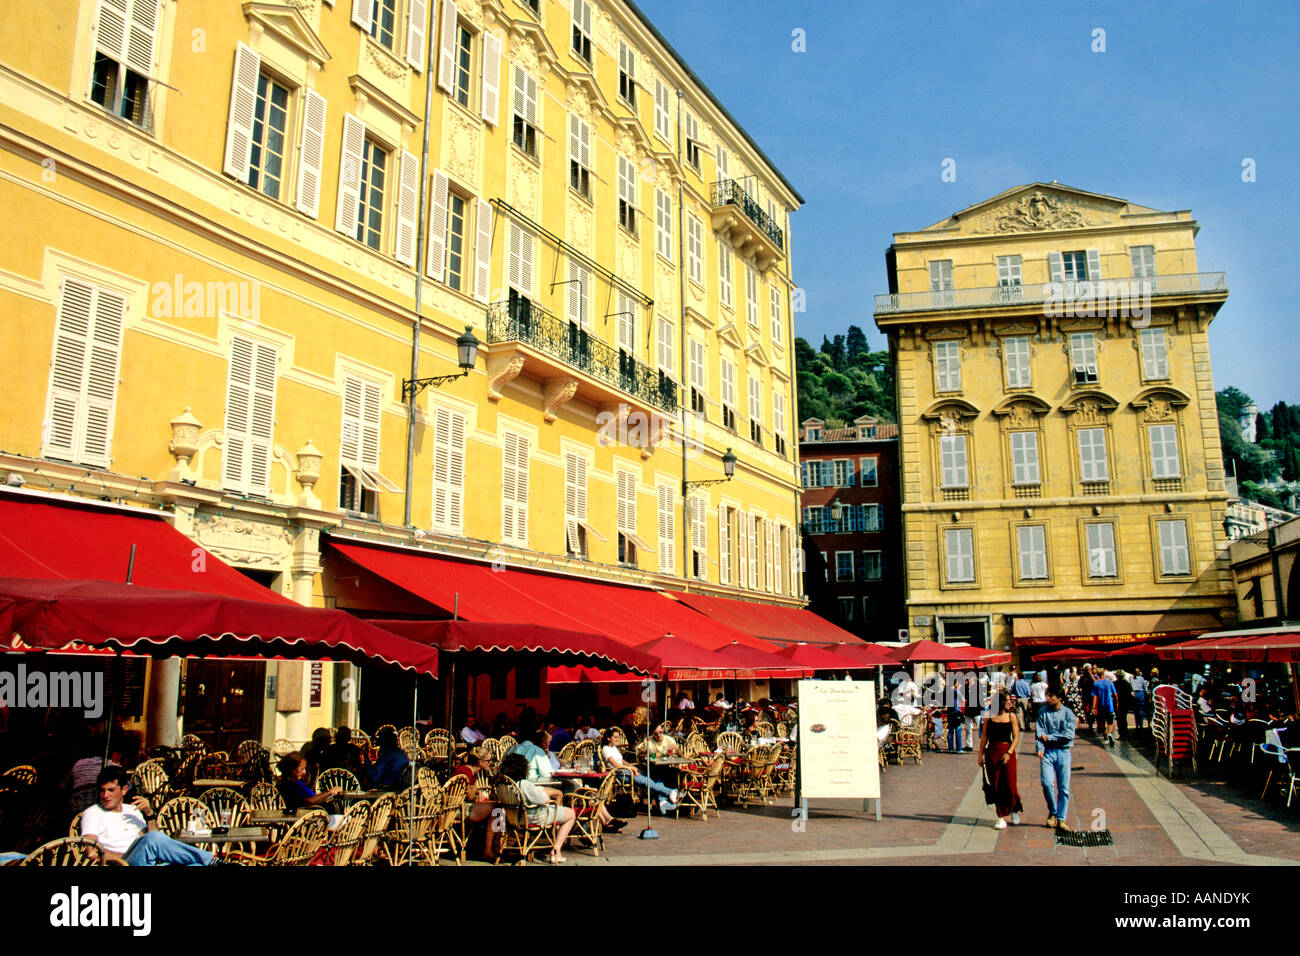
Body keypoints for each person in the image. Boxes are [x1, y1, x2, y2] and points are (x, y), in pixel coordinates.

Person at [80, 767, 216, 865]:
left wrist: (149, 814)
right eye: (102, 790)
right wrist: (124, 857)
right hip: (122, 863)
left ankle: (207, 862)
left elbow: (155, 841)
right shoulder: (93, 813)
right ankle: (210, 859)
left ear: (124, 790)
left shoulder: (132, 810)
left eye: (111, 790)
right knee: (151, 839)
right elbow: (92, 851)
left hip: (148, 861)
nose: (105, 795)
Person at [499, 753, 575, 864]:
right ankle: (556, 849)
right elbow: (544, 799)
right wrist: (542, 793)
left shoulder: (504, 784)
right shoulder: (524, 784)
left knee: (560, 812)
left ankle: (555, 840)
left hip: (514, 818)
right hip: (534, 817)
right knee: (571, 814)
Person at [600, 728, 678, 813]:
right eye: (615, 737)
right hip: (618, 774)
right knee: (646, 780)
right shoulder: (606, 749)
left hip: (626, 771)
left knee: (653, 776)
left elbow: (621, 760)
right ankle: (671, 792)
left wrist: (631, 766)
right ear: (608, 738)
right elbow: (614, 764)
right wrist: (630, 768)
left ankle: (663, 801)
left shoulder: (614, 748)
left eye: (618, 737)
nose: (618, 739)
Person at [977, 690, 1023, 829]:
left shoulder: (1011, 716)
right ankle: (1001, 816)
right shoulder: (988, 716)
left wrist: (1009, 753)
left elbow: (1016, 737)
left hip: (1007, 752)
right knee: (996, 784)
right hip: (992, 752)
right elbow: (984, 736)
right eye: (1007, 700)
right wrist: (980, 754)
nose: (1010, 702)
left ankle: (1014, 809)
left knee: (1010, 784)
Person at [1035, 687, 1076, 830]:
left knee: (1064, 787)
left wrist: (1049, 737)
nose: (1048, 698)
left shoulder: (1068, 714)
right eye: (1047, 695)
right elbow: (1039, 733)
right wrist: (1040, 747)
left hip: (1063, 752)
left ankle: (1061, 817)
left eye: (1051, 695)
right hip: (1048, 752)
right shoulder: (1042, 711)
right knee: (1046, 783)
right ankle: (1052, 811)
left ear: (1059, 698)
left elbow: (1068, 735)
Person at [277, 752, 343, 811]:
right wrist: (330, 792)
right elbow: (309, 801)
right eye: (302, 769)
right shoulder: (288, 785)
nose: (304, 772)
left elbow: (312, 796)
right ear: (292, 769)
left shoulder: (298, 783)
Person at [1092, 670, 1118, 746]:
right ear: (1103, 674)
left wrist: (1093, 707)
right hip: (1110, 705)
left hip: (1101, 706)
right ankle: (1109, 733)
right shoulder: (1109, 682)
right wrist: (1117, 703)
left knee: (1102, 723)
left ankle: (1106, 738)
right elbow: (1115, 694)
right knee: (1110, 722)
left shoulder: (1096, 683)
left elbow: (1094, 696)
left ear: (1097, 674)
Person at [946, 677, 965, 753]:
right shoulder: (956, 690)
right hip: (956, 711)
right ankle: (959, 748)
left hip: (950, 711)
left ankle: (950, 748)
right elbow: (962, 699)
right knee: (958, 730)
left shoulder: (947, 691)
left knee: (950, 730)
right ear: (956, 683)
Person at [1114, 670, 1133, 741]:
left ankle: (1122, 734)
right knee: (1124, 719)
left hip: (1118, 703)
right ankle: (1125, 734)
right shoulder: (1127, 683)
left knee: (1119, 719)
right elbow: (1131, 694)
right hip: (1125, 703)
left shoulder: (1115, 683)